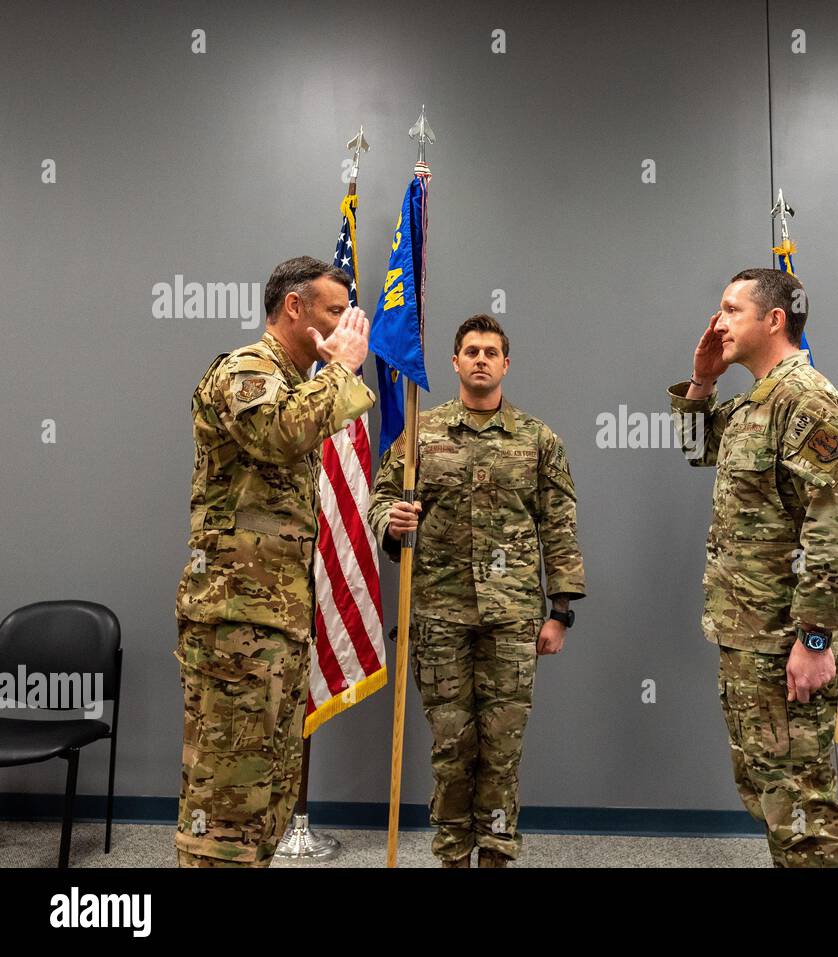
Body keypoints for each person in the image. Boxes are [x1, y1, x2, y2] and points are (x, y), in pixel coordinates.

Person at [667, 268, 838, 867]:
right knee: (771, 791)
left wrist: (814, 638)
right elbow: (693, 448)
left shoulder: (806, 401)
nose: (719, 322)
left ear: (775, 320)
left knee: (802, 809)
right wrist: (703, 381)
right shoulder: (758, 400)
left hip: (785, 638)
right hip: (745, 634)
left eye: (732, 309)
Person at [175, 256, 374, 866]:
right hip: (235, 620)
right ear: (295, 307)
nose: (347, 327)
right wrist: (340, 368)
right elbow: (278, 434)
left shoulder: (296, 381)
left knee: (266, 795)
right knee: (227, 799)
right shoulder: (247, 369)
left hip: (276, 620)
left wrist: (333, 373)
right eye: (335, 311)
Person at [368, 314, 585, 868]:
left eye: (492, 351)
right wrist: (389, 521)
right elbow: (378, 498)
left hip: (512, 617)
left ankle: (494, 854)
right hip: (437, 615)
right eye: (471, 350)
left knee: (502, 747)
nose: (481, 359)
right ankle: (451, 856)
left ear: (506, 364)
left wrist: (560, 612)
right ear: (455, 362)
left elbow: (559, 525)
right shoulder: (422, 433)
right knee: (450, 747)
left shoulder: (538, 440)